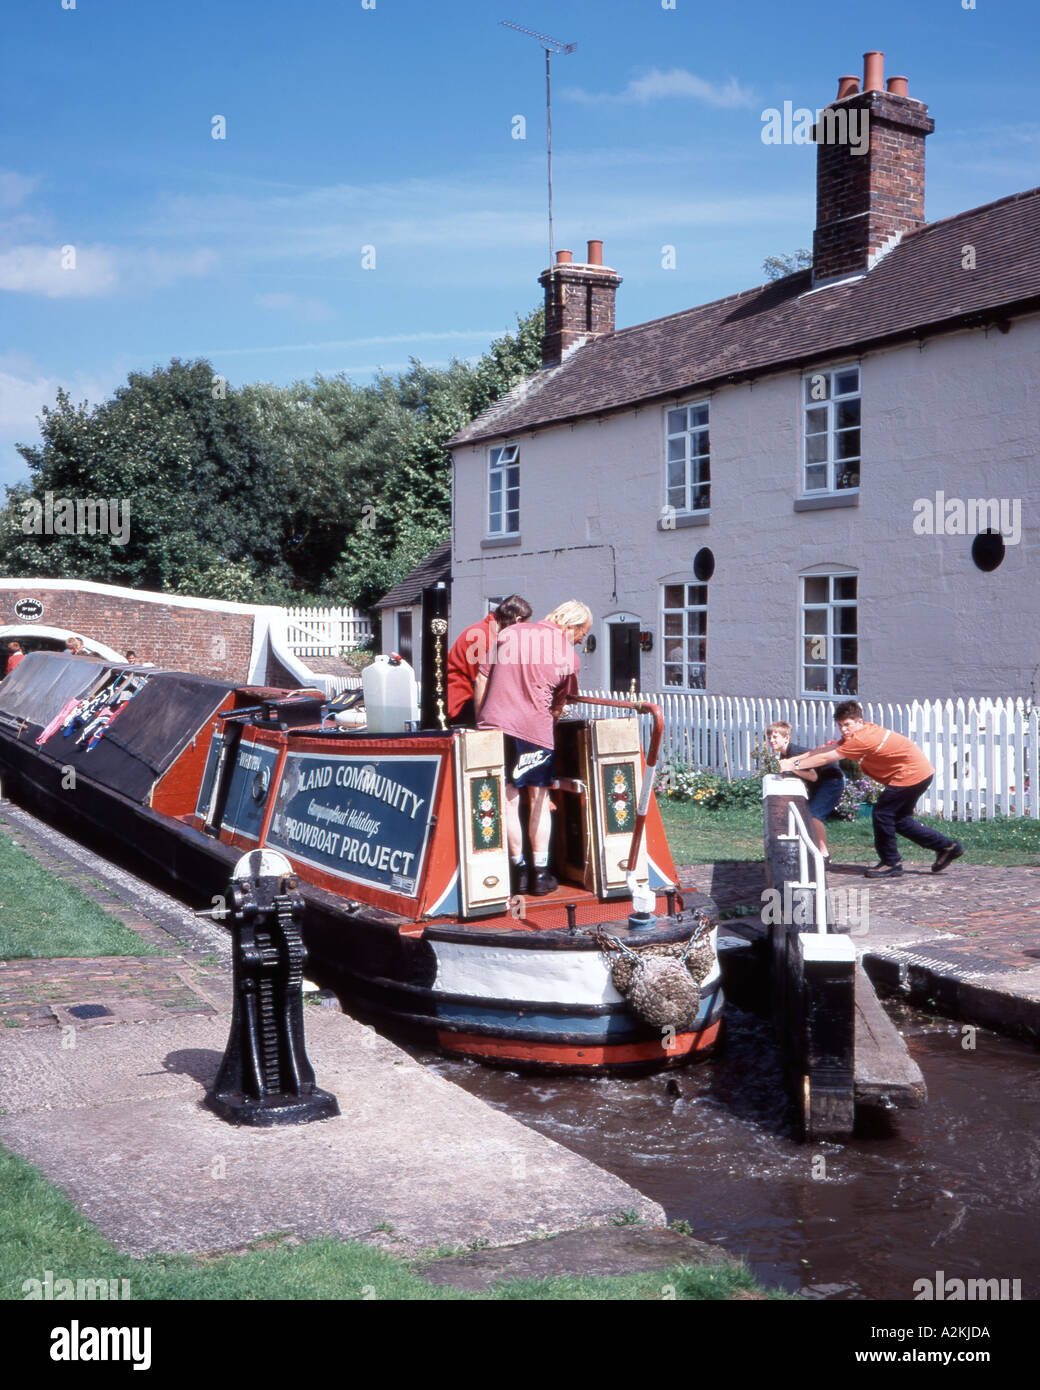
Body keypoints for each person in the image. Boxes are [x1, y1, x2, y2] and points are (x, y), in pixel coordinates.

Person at [475, 599, 593, 896]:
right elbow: (558, 707)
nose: (580, 640)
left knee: (508, 802)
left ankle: (517, 873)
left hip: (495, 727)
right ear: (571, 625)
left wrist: (482, 720)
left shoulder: (509, 634)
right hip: (535, 733)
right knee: (539, 799)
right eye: (582, 633)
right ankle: (540, 875)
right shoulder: (568, 657)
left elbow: (481, 677)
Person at [779, 700, 963, 878]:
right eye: (840, 725)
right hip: (919, 773)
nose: (843, 729)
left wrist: (793, 764)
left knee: (883, 814)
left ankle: (891, 863)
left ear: (859, 721)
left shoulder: (862, 738)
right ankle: (947, 847)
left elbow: (826, 758)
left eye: (847, 724)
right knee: (899, 821)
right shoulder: (859, 732)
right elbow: (825, 750)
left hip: (911, 775)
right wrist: (796, 760)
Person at [446, 595, 532, 726]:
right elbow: (489, 680)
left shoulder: (488, 632)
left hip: (464, 699)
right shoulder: (485, 637)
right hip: (461, 704)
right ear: (518, 620)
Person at [766, 720, 844, 862]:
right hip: (820, 783)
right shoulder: (785, 754)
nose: (771, 740)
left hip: (831, 781)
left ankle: (824, 855)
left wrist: (792, 768)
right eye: (769, 737)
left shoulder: (794, 752)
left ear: (786, 738)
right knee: (805, 814)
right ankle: (810, 851)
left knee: (814, 815)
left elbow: (813, 776)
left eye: (775, 737)